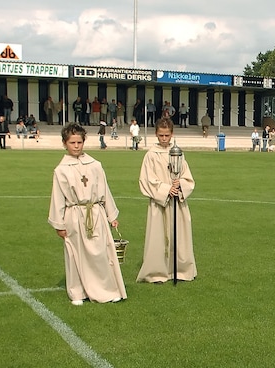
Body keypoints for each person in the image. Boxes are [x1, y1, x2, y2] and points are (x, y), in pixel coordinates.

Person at [47, 124, 127, 305]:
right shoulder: (61, 170)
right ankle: (78, 292)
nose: (76, 146)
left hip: (95, 212)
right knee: (76, 253)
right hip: (74, 214)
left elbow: (105, 190)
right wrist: (59, 224)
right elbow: (58, 197)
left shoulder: (95, 165)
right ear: (65, 143)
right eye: (72, 142)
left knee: (100, 253)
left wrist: (111, 215)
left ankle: (107, 290)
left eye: (79, 142)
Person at [136, 118, 196, 284]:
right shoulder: (151, 155)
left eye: (167, 135)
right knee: (158, 236)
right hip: (159, 202)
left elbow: (188, 177)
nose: (164, 139)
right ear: (156, 134)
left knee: (179, 235)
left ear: (172, 134)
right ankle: (157, 271)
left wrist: (180, 184)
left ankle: (181, 270)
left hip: (178, 201)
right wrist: (165, 189)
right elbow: (147, 179)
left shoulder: (178, 153)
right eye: (161, 135)